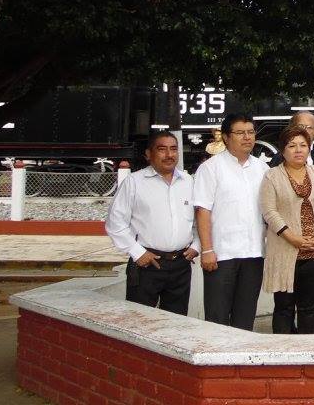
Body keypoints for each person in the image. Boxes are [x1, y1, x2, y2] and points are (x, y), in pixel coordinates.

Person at [105, 131, 199, 315]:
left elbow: (199, 220)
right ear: (148, 154)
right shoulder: (134, 182)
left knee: (177, 323)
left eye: (173, 149)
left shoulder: (188, 182)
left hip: (181, 264)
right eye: (162, 149)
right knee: (140, 322)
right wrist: (137, 252)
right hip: (147, 265)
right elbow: (115, 222)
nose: (169, 155)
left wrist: (197, 245)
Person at [192, 113, 270, 330]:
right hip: (221, 255)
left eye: (251, 132)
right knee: (217, 319)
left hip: (254, 254)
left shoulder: (263, 169)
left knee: (245, 319)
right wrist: (207, 250)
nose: (247, 137)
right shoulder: (211, 168)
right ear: (226, 137)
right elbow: (202, 210)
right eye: (240, 133)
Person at [260, 125, 314, 334]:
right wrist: (293, 238)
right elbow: (269, 211)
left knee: (309, 309)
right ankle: (283, 359)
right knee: (284, 308)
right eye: (292, 145)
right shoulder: (272, 176)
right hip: (286, 251)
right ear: (283, 150)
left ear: (310, 148)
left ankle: (308, 358)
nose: (298, 150)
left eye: (303, 145)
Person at [269, 111, 314, 178]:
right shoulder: (279, 158)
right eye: (301, 126)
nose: (304, 130)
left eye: (309, 127)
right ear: (291, 128)